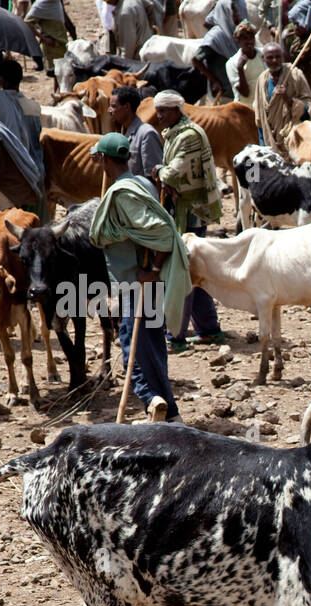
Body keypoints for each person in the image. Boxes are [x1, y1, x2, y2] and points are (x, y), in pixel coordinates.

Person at [88, 132, 193, 424]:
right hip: (143, 281)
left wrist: (153, 270)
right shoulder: (141, 182)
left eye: (99, 157)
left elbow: (161, 231)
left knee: (133, 350)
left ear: (106, 159)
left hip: (139, 282)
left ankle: (155, 402)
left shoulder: (123, 193)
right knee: (151, 346)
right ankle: (168, 414)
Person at [151, 91, 225, 350]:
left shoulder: (188, 136)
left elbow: (172, 173)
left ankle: (176, 335)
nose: (159, 116)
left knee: (183, 271)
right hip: (182, 208)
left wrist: (160, 172)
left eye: (164, 111)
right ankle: (208, 329)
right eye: (157, 111)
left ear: (177, 111)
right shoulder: (175, 133)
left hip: (191, 211)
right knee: (195, 270)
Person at [253, 42, 311, 153]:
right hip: (271, 139)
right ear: (263, 59)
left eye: (277, 57)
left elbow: (310, 110)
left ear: (282, 57)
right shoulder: (262, 80)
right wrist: (262, 142)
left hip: (294, 138)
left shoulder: (295, 75)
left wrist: (288, 99)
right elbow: (260, 116)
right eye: (270, 57)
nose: (274, 60)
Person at [193, 0, 247, 101]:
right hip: (224, 92)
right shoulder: (215, 36)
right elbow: (196, 59)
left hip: (238, 90)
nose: (237, 15)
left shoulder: (236, 32)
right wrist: (214, 81)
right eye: (234, 12)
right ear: (225, 13)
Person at [110, 85, 164, 179]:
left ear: (127, 107)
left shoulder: (146, 134)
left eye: (113, 106)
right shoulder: (124, 133)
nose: (109, 110)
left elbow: (153, 176)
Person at [24, 0, 72, 73]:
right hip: (52, 45)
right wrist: (43, 38)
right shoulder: (42, 4)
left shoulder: (56, 3)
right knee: (56, 71)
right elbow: (27, 23)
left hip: (62, 43)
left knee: (63, 72)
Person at [226, 20, 268, 106]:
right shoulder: (232, 63)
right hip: (245, 109)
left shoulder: (263, 55)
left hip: (264, 106)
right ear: (238, 40)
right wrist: (240, 69)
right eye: (245, 38)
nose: (249, 41)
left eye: (251, 37)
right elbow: (245, 93)